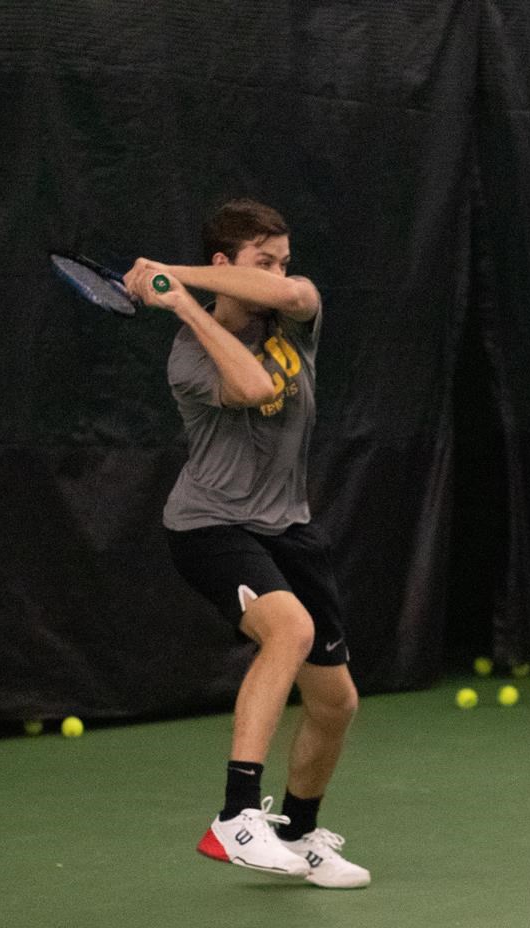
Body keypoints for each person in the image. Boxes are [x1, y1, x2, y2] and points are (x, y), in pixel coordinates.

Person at [123, 198, 369, 889]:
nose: (281, 277)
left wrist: (173, 275)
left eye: (284, 261)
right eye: (264, 262)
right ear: (225, 264)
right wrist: (186, 305)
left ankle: (298, 833)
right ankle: (236, 815)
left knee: (336, 703)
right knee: (288, 629)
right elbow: (256, 385)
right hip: (211, 526)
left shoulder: (298, 313)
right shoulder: (187, 360)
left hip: (290, 527)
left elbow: (291, 295)